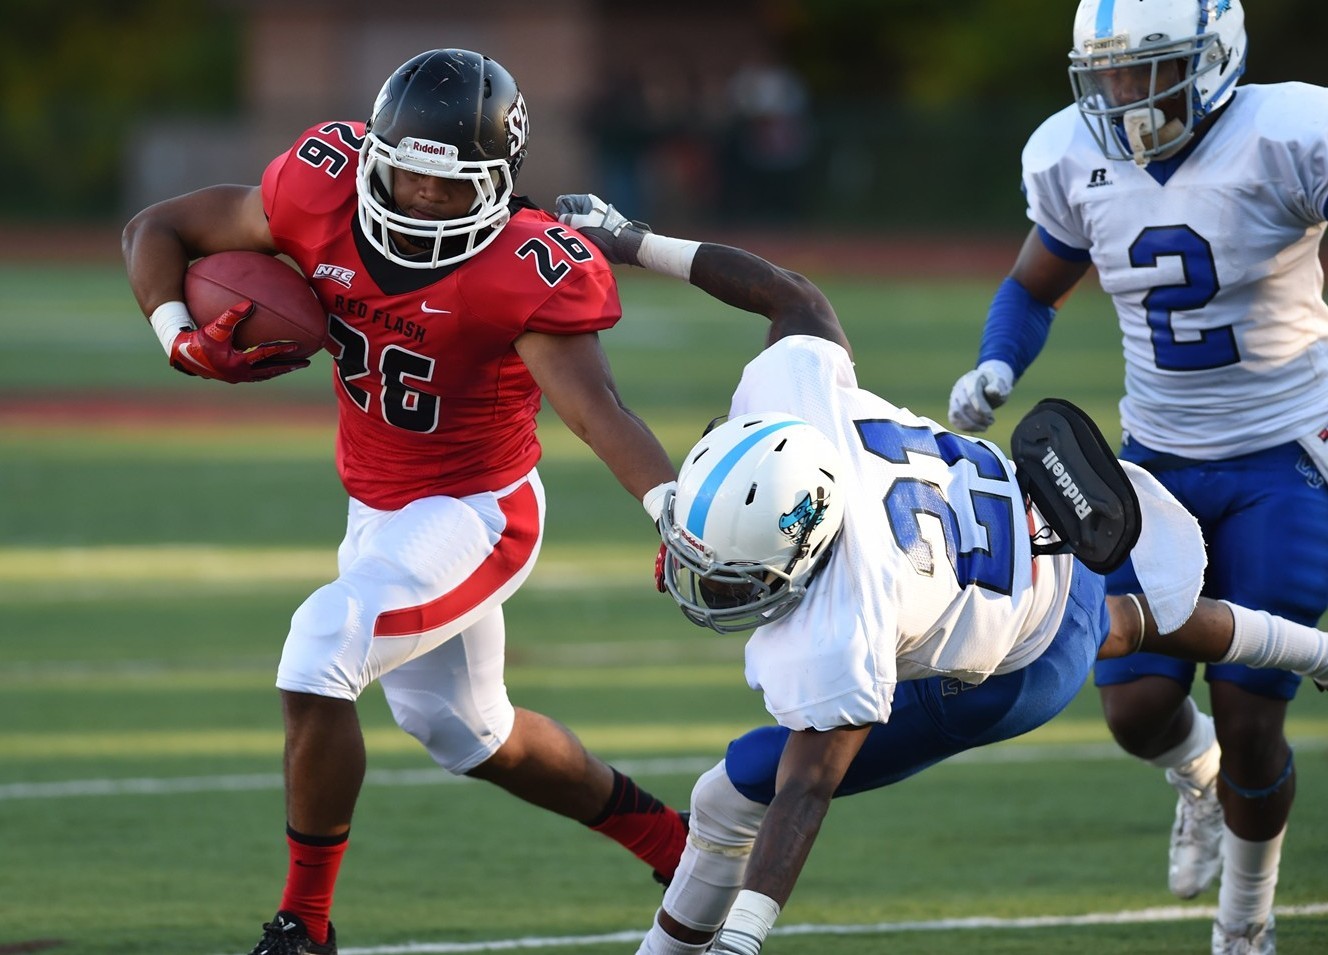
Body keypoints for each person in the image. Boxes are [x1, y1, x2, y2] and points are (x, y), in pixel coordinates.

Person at [553, 193, 1328, 955]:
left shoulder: (849, 610)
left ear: (805, 547)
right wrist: (634, 240)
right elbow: (793, 296)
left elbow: (805, 791)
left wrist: (745, 936)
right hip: (1039, 525)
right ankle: (1298, 666)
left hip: (1010, 675)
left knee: (724, 797)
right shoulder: (801, 402)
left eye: (731, 575)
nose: (708, 586)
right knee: (1127, 621)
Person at [122, 50, 688, 955]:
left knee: (319, 647)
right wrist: (180, 338)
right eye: (408, 173)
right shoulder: (317, 190)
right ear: (375, 155)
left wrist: (673, 511)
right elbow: (157, 227)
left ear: (501, 183)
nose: (422, 195)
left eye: (448, 183)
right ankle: (677, 843)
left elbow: (597, 410)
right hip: (379, 509)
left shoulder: (524, 266)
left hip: (478, 512)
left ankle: (303, 925)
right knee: (470, 731)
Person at [945, 2, 1328, 949]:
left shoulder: (1289, 136)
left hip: (1286, 459)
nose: (1127, 92)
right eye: (1110, 73)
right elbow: (1035, 284)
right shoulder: (1073, 155)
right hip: (1154, 458)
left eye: (1150, 68)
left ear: (1215, 55)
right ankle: (1194, 780)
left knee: (1249, 709)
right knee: (1135, 704)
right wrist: (999, 360)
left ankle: (1245, 926)